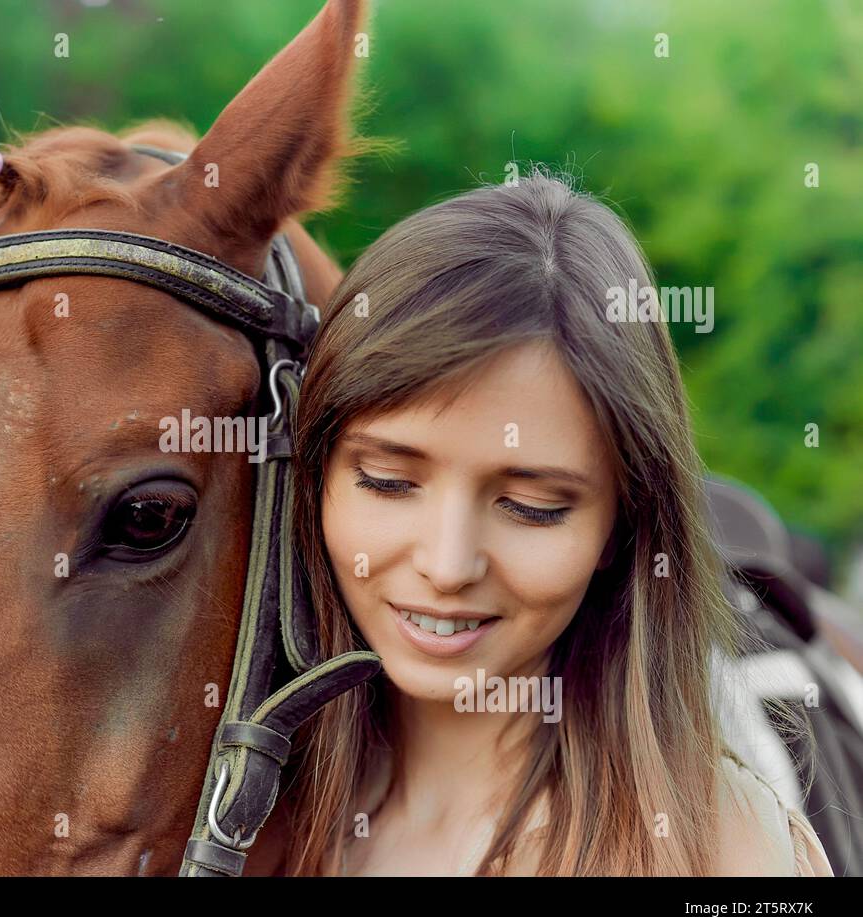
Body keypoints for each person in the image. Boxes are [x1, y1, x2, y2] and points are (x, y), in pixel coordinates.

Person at [282, 169, 834, 876]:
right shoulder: (242, 824)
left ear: (621, 526)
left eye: (532, 508)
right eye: (389, 482)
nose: (448, 566)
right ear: (317, 474)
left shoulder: (726, 857)